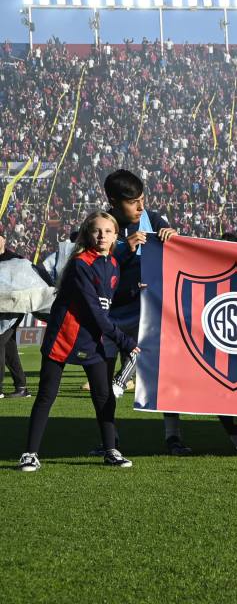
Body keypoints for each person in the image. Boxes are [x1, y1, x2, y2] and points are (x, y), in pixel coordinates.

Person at [18, 212, 139, 471]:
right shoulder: (79, 264)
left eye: (108, 231)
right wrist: (124, 341)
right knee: (46, 396)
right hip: (64, 337)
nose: (102, 235)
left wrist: (135, 291)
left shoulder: (113, 264)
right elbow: (94, 311)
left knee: (104, 397)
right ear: (88, 234)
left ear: (116, 236)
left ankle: (111, 450)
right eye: (97, 230)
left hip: (94, 340)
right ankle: (29, 454)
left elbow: (107, 303)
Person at [103, 169, 187, 455]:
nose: (140, 207)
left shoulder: (153, 218)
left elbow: (178, 248)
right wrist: (123, 249)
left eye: (142, 199)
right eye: (133, 202)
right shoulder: (102, 225)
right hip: (111, 316)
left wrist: (174, 237)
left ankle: (173, 437)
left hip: (147, 312)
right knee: (104, 383)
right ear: (113, 201)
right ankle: (109, 441)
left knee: (166, 373)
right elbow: (93, 265)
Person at [0, 234, 30, 398]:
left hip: (14, 308)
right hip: (1, 309)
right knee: (9, 347)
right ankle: (22, 387)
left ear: (4, 239)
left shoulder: (15, 259)